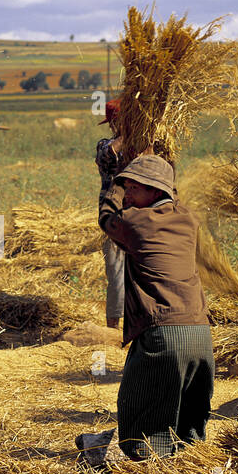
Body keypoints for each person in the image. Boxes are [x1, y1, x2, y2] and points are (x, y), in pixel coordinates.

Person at [92, 154, 213, 462]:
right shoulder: (188, 219)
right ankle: (187, 470)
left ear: (157, 193)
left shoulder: (134, 221)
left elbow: (106, 217)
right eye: (127, 188)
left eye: (135, 188)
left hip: (164, 335)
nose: (128, 195)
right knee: (188, 422)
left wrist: (114, 181)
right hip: (200, 333)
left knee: (143, 411)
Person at [95, 98, 125, 330]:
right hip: (114, 221)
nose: (112, 127)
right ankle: (113, 332)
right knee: (116, 278)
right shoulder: (105, 146)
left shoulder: (146, 146)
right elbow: (108, 154)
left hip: (144, 221)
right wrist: (133, 131)